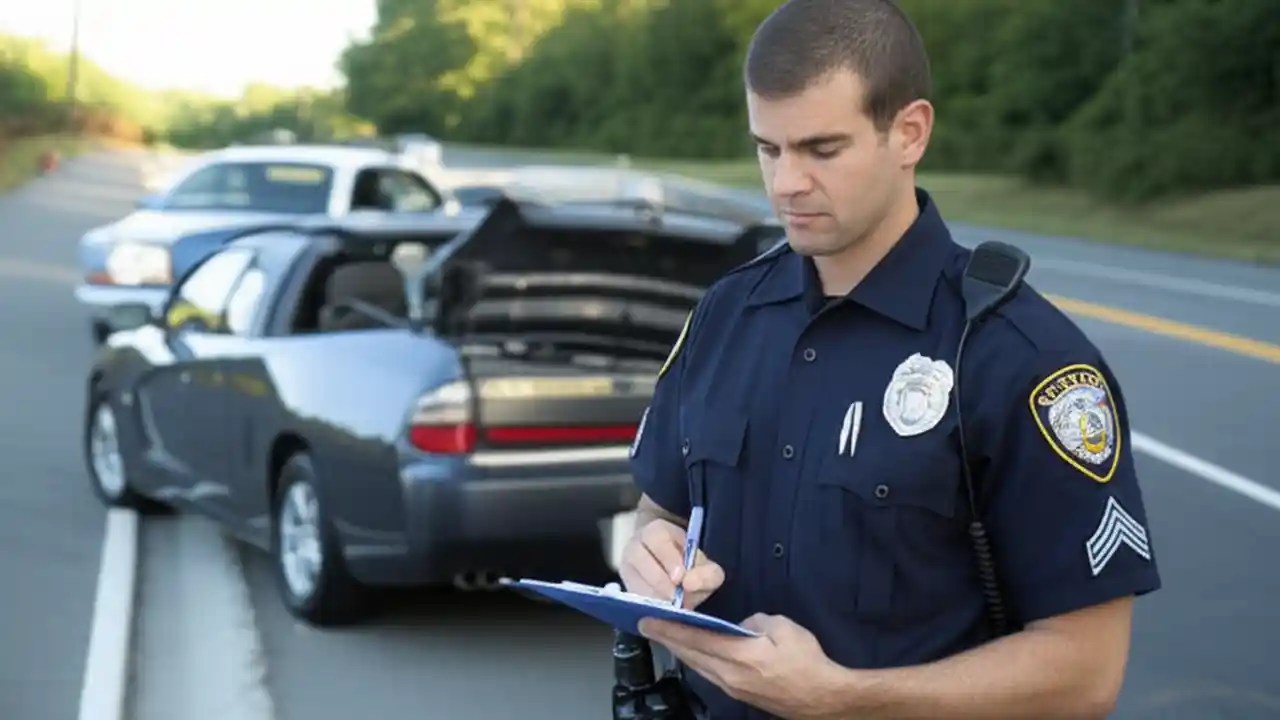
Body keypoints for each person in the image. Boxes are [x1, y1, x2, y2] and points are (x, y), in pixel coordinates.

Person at [620, 1, 1162, 718]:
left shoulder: (1020, 360)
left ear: (909, 133)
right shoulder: (725, 315)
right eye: (768, 148)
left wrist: (843, 699)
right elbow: (658, 508)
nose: (785, 184)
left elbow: (1086, 670)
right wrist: (645, 551)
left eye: (821, 149)